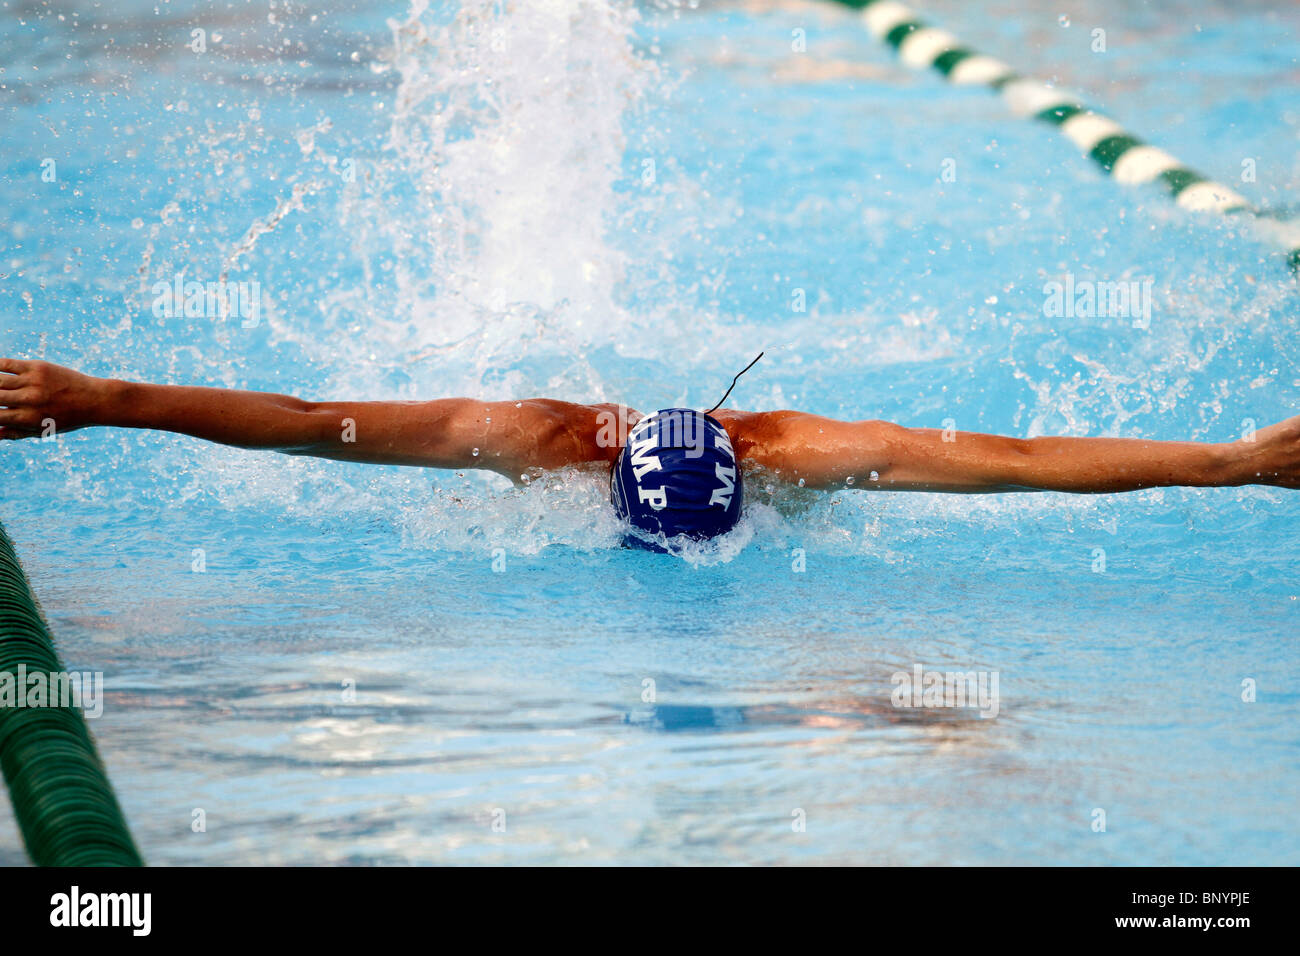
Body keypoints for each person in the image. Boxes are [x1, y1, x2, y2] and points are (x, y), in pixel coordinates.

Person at [2, 357, 1296, 550]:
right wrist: (99, 396)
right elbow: (307, 425)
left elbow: (1015, 460)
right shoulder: (526, 445)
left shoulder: (802, 454)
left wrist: (1239, 461)